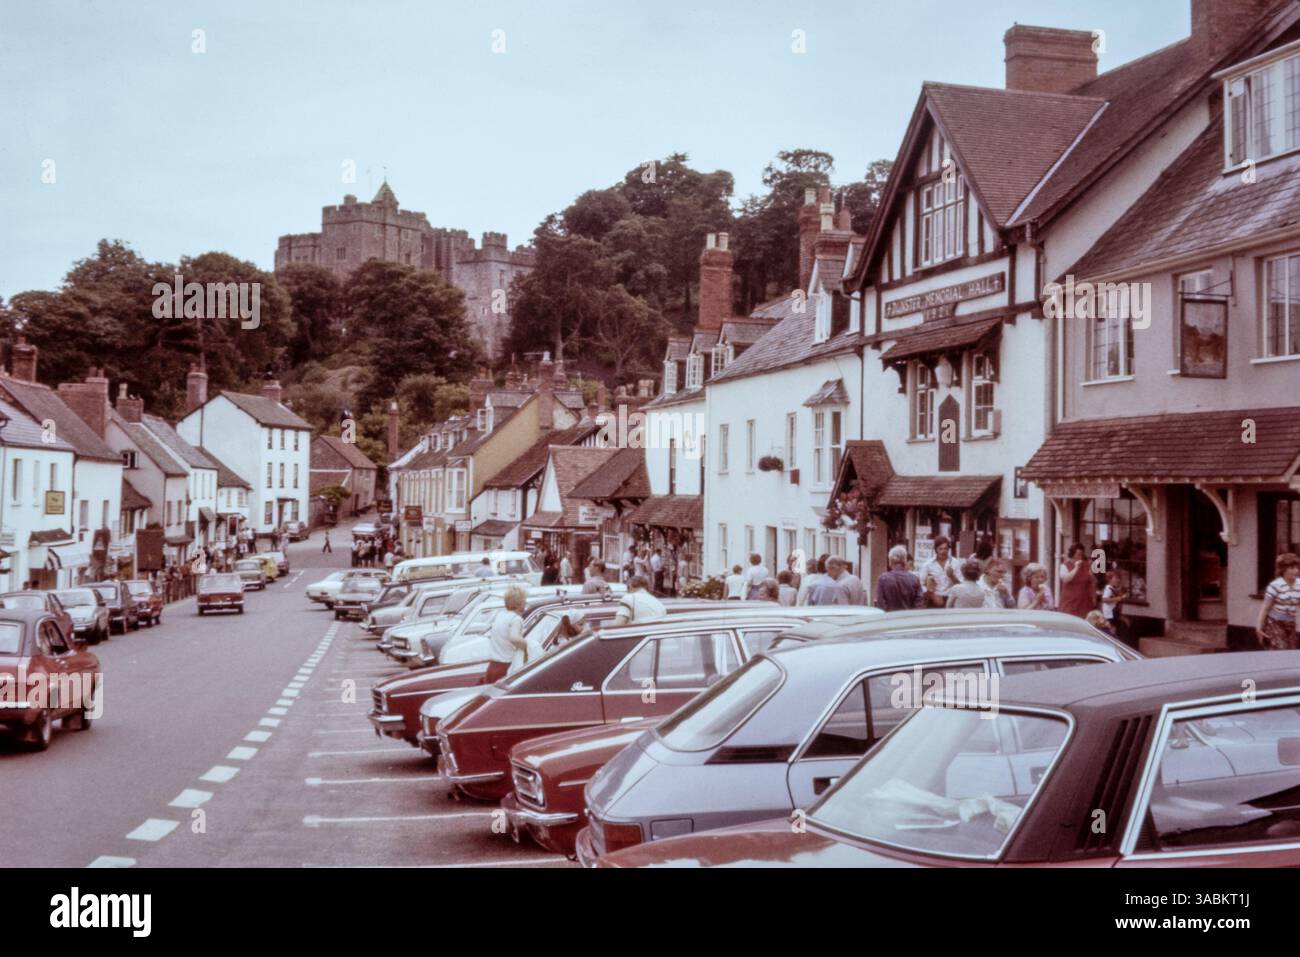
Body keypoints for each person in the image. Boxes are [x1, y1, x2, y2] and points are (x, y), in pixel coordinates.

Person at [1257, 552, 1300, 650]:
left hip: (1291, 623)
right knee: (1281, 650)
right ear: (1283, 569)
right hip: (1275, 623)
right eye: (1292, 568)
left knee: (1291, 651)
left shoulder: (1299, 584)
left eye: (1297, 568)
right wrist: (1258, 627)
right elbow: (1265, 608)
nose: (1296, 571)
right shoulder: (1275, 586)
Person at [485, 585, 528, 682]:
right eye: (524, 600)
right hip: (506, 668)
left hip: (492, 667)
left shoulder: (500, 615)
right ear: (518, 603)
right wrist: (528, 646)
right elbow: (514, 638)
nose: (525, 602)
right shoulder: (516, 619)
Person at [875, 546, 922, 611]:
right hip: (909, 619)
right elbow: (919, 605)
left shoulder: (883, 579)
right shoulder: (915, 579)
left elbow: (880, 605)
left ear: (890, 562)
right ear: (905, 561)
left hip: (889, 619)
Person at [918, 536, 961, 608]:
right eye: (940, 549)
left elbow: (961, 585)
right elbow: (921, 585)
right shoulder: (928, 564)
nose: (943, 551)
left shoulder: (955, 563)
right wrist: (932, 596)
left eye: (945, 549)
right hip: (934, 600)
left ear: (948, 549)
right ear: (936, 550)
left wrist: (952, 576)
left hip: (951, 599)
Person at [1058, 543, 1096, 618]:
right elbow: (1065, 579)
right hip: (1070, 601)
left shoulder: (1086, 565)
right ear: (1072, 554)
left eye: (1081, 554)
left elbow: (1092, 582)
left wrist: (1093, 597)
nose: (1080, 557)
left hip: (1084, 601)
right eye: (1078, 554)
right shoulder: (1064, 565)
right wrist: (1076, 568)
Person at [1100, 569, 1129, 641]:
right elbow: (1104, 599)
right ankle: (1112, 640)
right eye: (1116, 578)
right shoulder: (1108, 588)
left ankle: (1113, 640)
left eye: (1119, 578)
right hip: (1109, 613)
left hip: (1114, 612)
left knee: (1114, 627)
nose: (1118, 580)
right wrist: (1117, 598)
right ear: (1110, 579)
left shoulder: (1113, 588)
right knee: (1111, 628)